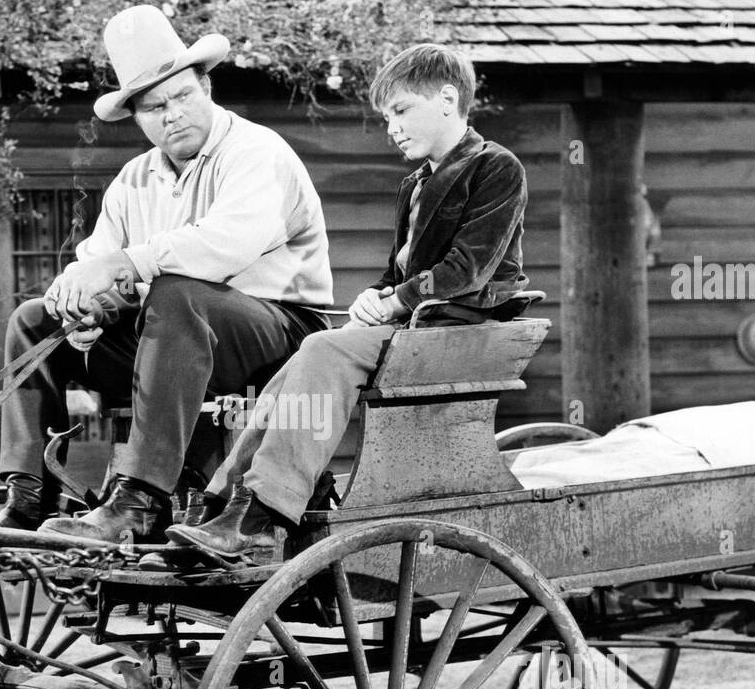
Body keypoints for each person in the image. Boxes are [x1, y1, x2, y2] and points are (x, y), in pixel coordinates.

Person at [167, 42, 529, 556]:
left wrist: (394, 302)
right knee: (295, 368)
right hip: (419, 327)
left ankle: (263, 514)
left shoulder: (495, 167)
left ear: (447, 99)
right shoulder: (416, 183)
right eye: (387, 117)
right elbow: (399, 269)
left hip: (464, 328)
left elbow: (467, 269)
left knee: (321, 349)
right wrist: (376, 296)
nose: (392, 127)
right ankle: (225, 501)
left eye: (401, 110)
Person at [0, 5, 333, 542]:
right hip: (176, 337)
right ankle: (29, 494)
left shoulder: (256, 152)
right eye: (154, 107)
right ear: (137, 118)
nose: (171, 114)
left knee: (178, 294)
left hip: (282, 337)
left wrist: (124, 264)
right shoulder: (134, 180)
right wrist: (84, 307)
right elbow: (99, 262)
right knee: (34, 320)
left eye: (182, 96)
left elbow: (226, 247)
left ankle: (141, 501)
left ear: (207, 86)